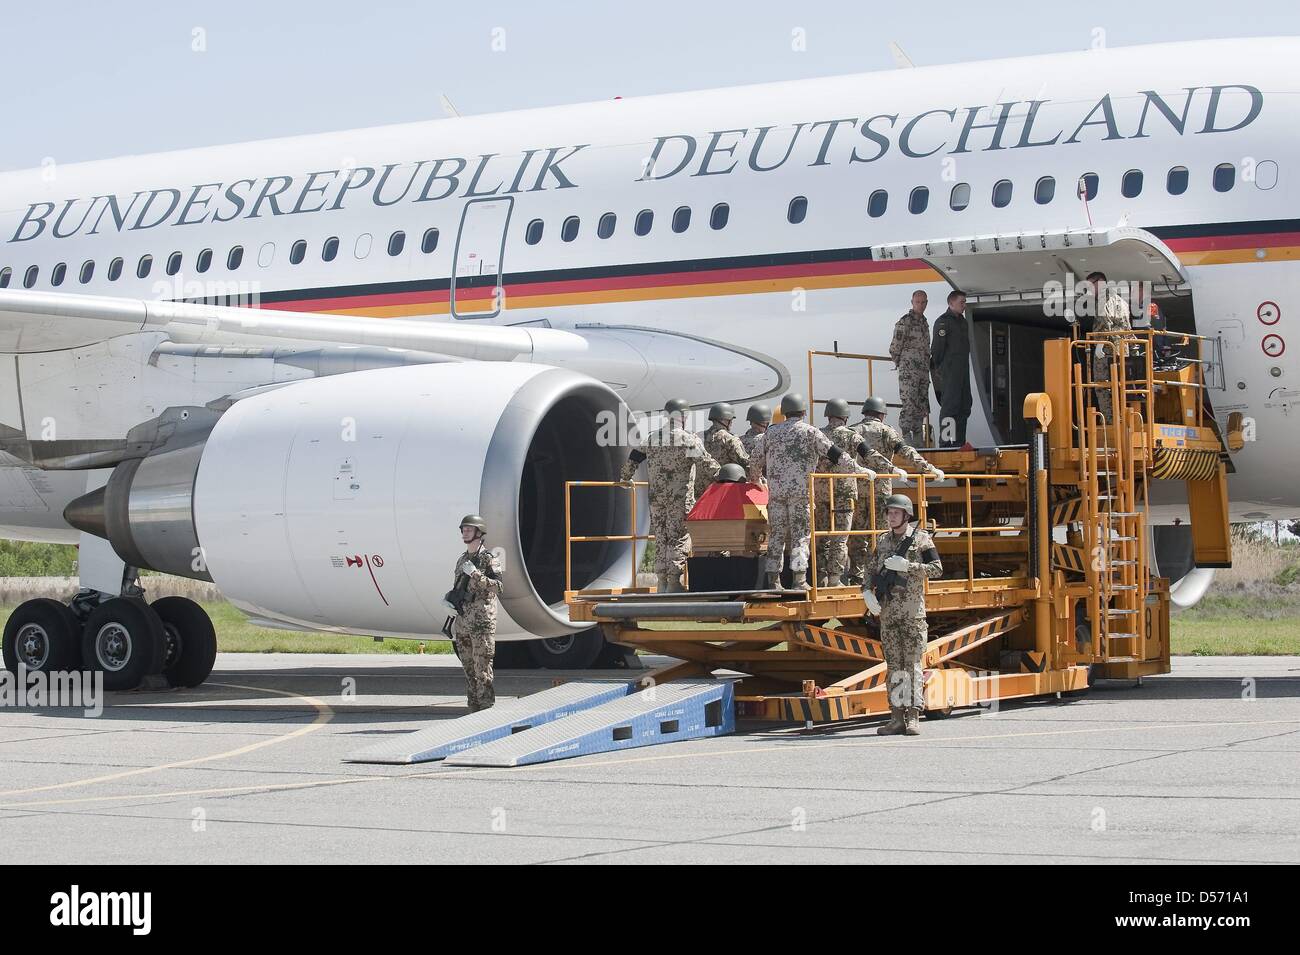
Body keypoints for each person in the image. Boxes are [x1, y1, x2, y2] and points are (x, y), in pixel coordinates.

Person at [749, 393, 873, 591]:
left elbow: (755, 459)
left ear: (785, 412)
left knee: (777, 536)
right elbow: (836, 454)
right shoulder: (810, 432)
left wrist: (756, 480)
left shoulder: (770, 433)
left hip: (777, 496)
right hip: (801, 496)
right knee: (800, 537)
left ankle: (774, 581)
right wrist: (860, 470)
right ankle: (799, 580)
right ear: (804, 412)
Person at [621, 397, 720, 592]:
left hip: (656, 500)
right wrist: (730, 475)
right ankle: (674, 582)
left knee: (661, 537)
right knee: (679, 537)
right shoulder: (688, 439)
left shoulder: (651, 438)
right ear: (683, 416)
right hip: (679, 499)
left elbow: (634, 458)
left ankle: (661, 582)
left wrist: (625, 478)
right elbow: (707, 464)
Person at [863, 494, 942, 736]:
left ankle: (914, 717)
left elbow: (937, 569)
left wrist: (909, 567)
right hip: (889, 613)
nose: (891, 516)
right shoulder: (883, 541)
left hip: (912, 614)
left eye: (896, 512)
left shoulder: (921, 539)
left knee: (912, 666)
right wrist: (866, 591)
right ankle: (896, 717)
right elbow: (871, 568)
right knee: (894, 667)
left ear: (907, 515)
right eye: (889, 512)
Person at [846, 396, 944, 583]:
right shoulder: (886, 431)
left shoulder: (854, 430)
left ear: (865, 413)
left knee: (858, 533)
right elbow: (906, 451)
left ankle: (856, 574)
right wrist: (928, 468)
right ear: (882, 415)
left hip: (858, 490)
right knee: (883, 534)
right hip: (881, 491)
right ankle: (881, 571)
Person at [448, 515, 503, 713]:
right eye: (463, 529)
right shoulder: (462, 559)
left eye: (469, 529)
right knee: (469, 670)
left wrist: (476, 575)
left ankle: (486, 711)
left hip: (482, 622)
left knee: (483, 670)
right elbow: (458, 588)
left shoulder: (489, 559)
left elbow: (499, 586)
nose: (465, 532)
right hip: (463, 622)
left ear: (479, 533)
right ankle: (473, 710)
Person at [814, 398, 862, 587]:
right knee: (840, 538)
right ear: (846, 417)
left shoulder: (818, 434)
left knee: (821, 537)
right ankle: (835, 579)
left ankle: (821, 578)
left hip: (821, 493)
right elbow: (867, 453)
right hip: (844, 494)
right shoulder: (851, 435)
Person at [1084, 271, 1133, 423]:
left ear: (1099, 283)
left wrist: (1099, 344)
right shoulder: (1121, 301)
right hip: (1122, 350)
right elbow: (1127, 328)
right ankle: (1120, 419)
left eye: (1089, 286)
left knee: (1102, 387)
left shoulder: (1103, 300)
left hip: (1106, 350)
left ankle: (1110, 421)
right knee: (1119, 387)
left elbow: (1104, 323)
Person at [890, 289, 933, 448]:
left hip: (922, 370)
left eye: (923, 302)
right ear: (912, 303)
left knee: (921, 402)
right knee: (909, 402)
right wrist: (902, 363)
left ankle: (918, 435)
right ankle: (906, 435)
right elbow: (895, 347)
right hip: (909, 371)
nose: (920, 305)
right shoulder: (905, 321)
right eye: (917, 302)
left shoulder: (924, 322)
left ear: (926, 303)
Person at [930, 289, 972, 448]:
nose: (964, 306)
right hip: (950, 371)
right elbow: (937, 350)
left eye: (964, 303)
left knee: (964, 405)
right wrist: (942, 370)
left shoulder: (962, 322)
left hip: (962, 371)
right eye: (961, 302)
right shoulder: (943, 322)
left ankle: (958, 442)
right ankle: (948, 443)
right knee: (950, 407)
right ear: (951, 303)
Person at [695, 402, 749, 501]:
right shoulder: (730, 439)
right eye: (730, 420)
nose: (731, 423)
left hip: (699, 496)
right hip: (720, 494)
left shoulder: (697, 437)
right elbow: (745, 463)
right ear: (724, 419)